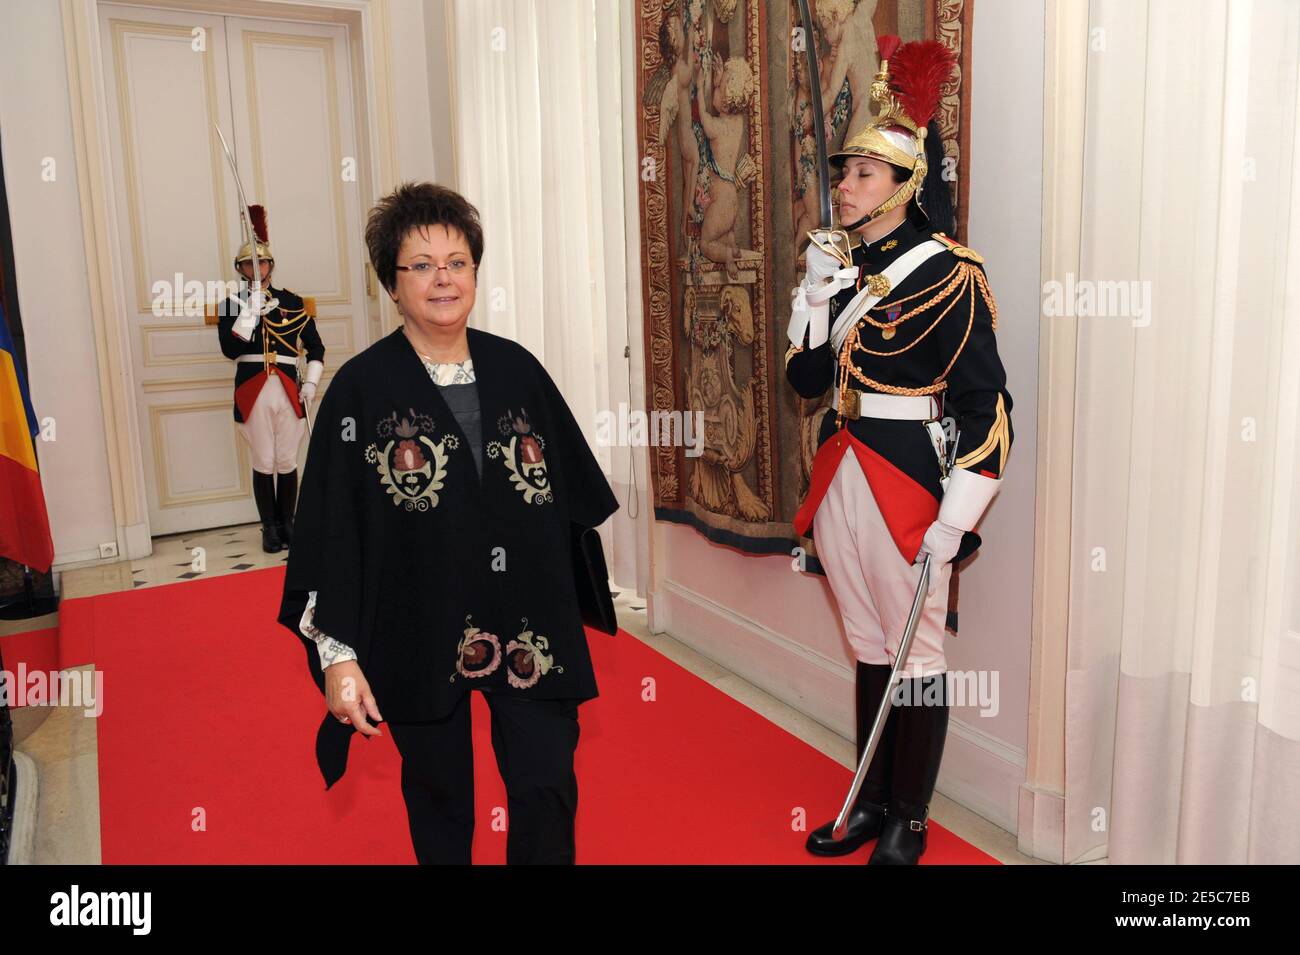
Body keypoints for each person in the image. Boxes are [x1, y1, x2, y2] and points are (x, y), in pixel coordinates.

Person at [276, 182, 618, 865]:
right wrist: (338, 658)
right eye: (422, 265)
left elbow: (570, 506)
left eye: (457, 262)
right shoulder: (361, 389)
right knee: (440, 798)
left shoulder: (518, 370)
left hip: (530, 624)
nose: (443, 279)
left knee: (547, 782)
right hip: (418, 624)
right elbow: (331, 534)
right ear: (392, 284)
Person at [785, 36, 1013, 864]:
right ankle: (870, 798)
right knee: (872, 644)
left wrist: (956, 520)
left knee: (916, 651)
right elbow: (807, 377)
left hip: (910, 479)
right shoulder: (841, 267)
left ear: (906, 184)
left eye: (862, 174)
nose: (844, 186)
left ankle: (910, 818)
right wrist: (814, 294)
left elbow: (989, 406)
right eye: (844, 173)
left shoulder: (950, 274)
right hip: (842, 468)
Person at [215, 205, 324, 553]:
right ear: (241, 269)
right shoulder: (231, 304)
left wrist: (310, 385)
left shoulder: (292, 301)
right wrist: (250, 309)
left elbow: (316, 349)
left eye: (262, 263)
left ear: (270, 266)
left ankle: (288, 523)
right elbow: (230, 350)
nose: (257, 269)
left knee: (286, 460)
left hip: (289, 388)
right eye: (249, 265)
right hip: (253, 388)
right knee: (263, 459)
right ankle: (269, 528)